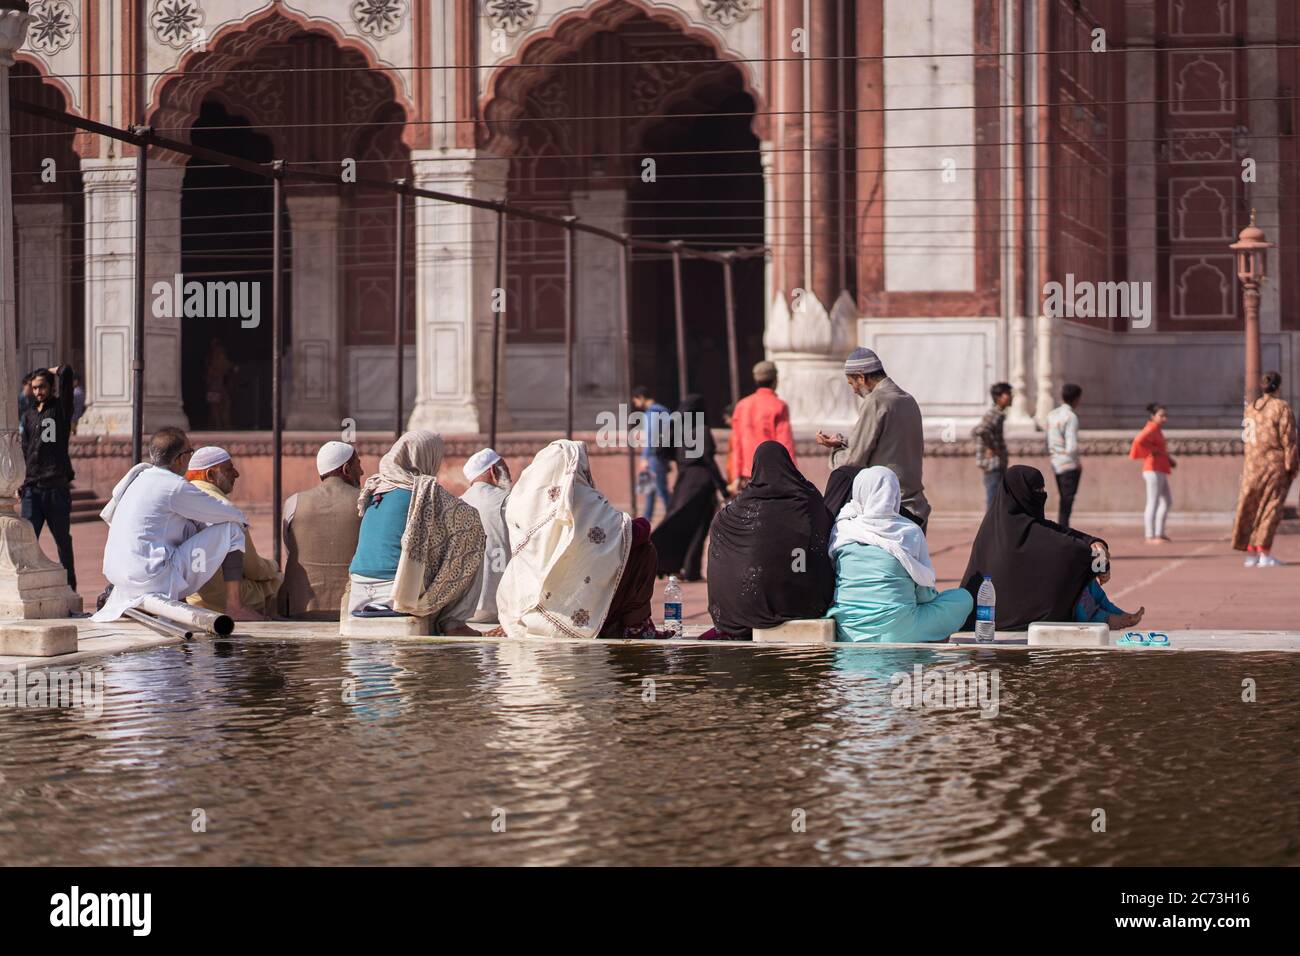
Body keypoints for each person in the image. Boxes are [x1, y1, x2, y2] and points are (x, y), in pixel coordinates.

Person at [495, 439, 668, 639]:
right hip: (577, 611)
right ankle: (634, 625)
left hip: (526, 611)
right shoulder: (582, 498)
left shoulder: (523, 503)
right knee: (644, 551)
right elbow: (634, 533)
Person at [91, 427, 263, 623]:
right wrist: (240, 522)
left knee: (188, 528)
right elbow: (229, 514)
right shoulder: (174, 485)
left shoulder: (140, 479)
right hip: (151, 579)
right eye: (190, 452)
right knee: (232, 530)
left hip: (121, 579)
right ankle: (235, 606)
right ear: (181, 458)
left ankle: (177, 599)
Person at [960, 465, 1143, 630]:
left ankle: (1110, 612)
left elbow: (1061, 533)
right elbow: (1070, 549)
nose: (1041, 494)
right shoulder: (1023, 530)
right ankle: (1102, 618)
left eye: (1042, 489)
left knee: (1079, 562)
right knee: (1073, 565)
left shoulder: (1007, 523)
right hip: (1001, 617)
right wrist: (1097, 559)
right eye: (1036, 490)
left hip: (1017, 606)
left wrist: (1094, 542)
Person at [347, 430, 485, 634]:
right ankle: (454, 622)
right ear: (427, 457)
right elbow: (467, 518)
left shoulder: (375, 487)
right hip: (397, 592)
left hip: (358, 587)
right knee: (472, 530)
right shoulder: (424, 490)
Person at [705, 441, 834, 640]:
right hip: (803, 605)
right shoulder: (808, 500)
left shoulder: (735, 512)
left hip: (743, 612)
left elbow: (720, 530)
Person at [827, 467, 973, 642]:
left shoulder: (842, 529)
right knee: (963, 598)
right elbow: (924, 594)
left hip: (850, 631)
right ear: (895, 494)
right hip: (900, 631)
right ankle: (928, 635)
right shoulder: (909, 531)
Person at [815, 347, 931, 531]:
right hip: (915, 506)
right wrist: (843, 442)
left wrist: (836, 452)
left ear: (861, 378)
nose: (854, 390)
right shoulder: (908, 399)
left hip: (888, 507)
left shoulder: (876, 401)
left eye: (852, 383)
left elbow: (854, 460)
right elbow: (889, 442)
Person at [185, 447, 282, 616]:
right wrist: (274, 567)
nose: (236, 474)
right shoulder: (224, 509)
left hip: (192, 597)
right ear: (210, 475)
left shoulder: (182, 499)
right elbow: (254, 568)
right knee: (279, 581)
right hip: (221, 597)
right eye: (229, 469)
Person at [279, 441, 364, 619]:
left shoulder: (294, 502)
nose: (362, 472)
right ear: (346, 469)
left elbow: (290, 549)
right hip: (354, 606)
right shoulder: (366, 501)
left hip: (301, 607)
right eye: (358, 465)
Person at [651, 394, 729, 581]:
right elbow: (708, 460)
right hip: (701, 480)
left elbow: (660, 449)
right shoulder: (702, 430)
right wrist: (723, 487)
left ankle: (666, 563)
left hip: (684, 479)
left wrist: (678, 459)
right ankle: (691, 570)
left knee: (677, 521)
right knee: (699, 526)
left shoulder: (678, 429)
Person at [19, 365, 77, 591]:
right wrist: (22, 482)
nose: (38, 392)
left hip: (56, 488)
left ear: (51, 387)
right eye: (34, 388)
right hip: (32, 489)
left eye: (42, 387)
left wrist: (54, 370)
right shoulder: (28, 414)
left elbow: (67, 374)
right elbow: (25, 450)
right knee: (27, 542)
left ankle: (70, 587)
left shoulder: (61, 409)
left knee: (62, 541)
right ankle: (27, 588)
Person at [1233, 371, 1299, 567]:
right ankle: (1264, 553)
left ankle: (1251, 553)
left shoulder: (1251, 408)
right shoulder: (1281, 407)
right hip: (1273, 465)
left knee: (1251, 507)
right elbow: (1289, 439)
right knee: (1270, 508)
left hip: (1252, 465)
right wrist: (1292, 466)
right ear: (1279, 387)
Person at [460, 447, 512, 624]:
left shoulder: (458, 502)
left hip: (462, 608)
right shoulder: (508, 500)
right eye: (505, 469)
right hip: (498, 606)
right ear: (493, 471)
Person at [728, 360, 796, 492]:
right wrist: (792, 474)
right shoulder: (779, 406)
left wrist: (736, 475)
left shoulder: (742, 406)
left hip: (747, 474)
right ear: (775, 380)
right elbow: (785, 444)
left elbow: (736, 444)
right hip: (772, 473)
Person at [1130, 402, 1174, 544]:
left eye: (1165, 416)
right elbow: (1138, 440)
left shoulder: (1157, 430)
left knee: (1167, 501)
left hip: (1160, 468)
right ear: (1153, 416)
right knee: (1153, 501)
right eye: (1161, 416)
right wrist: (1151, 451)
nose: (1164, 419)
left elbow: (1159, 448)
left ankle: (1159, 533)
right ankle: (1150, 535)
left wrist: (1168, 459)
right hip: (1152, 469)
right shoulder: (1151, 428)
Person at [631, 386, 673, 520]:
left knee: (661, 489)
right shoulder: (664, 411)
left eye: (636, 401)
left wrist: (644, 457)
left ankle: (673, 515)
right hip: (662, 454)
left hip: (654, 456)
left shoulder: (652, 413)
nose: (636, 405)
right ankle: (646, 519)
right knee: (650, 490)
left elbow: (651, 437)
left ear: (641, 398)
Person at [1046, 383, 1083, 528]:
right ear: (1076, 398)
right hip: (1068, 463)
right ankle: (1063, 529)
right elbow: (1071, 445)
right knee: (1067, 501)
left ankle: (1062, 528)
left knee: (1064, 499)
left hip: (1056, 462)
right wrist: (1077, 462)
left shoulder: (1052, 415)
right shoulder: (1071, 417)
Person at [972, 382, 1012, 510]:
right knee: (994, 501)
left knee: (997, 500)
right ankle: (991, 523)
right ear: (999, 397)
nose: (1011, 397)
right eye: (1008, 394)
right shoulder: (995, 414)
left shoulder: (998, 414)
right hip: (993, 464)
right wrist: (993, 447)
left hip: (996, 464)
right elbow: (981, 430)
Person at [205, 338, 236, 429]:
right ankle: (220, 425)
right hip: (215, 384)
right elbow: (226, 367)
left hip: (217, 384)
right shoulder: (214, 357)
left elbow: (227, 366)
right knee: (217, 406)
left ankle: (222, 425)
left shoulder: (216, 356)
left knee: (220, 406)